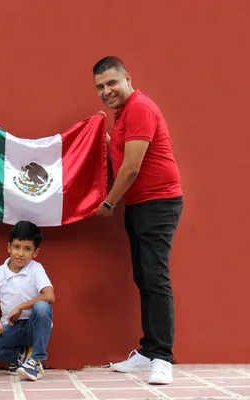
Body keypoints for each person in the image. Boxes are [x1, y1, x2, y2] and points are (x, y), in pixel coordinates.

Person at [93, 56, 183, 385]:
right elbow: (122, 152)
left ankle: (163, 357)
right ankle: (148, 351)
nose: (106, 90)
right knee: (145, 277)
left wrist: (108, 202)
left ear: (127, 78)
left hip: (159, 203)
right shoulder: (124, 115)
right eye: (100, 87)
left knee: (155, 278)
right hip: (141, 204)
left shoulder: (140, 108)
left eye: (111, 83)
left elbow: (131, 167)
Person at [0, 221, 55, 381]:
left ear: (35, 252)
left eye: (27, 249)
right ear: (9, 247)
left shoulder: (35, 268)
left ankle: (36, 360)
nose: (21, 253)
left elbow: (49, 295)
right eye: (17, 247)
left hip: (33, 326)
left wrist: (21, 307)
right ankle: (20, 356)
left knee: (42, 307)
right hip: (10, 327)